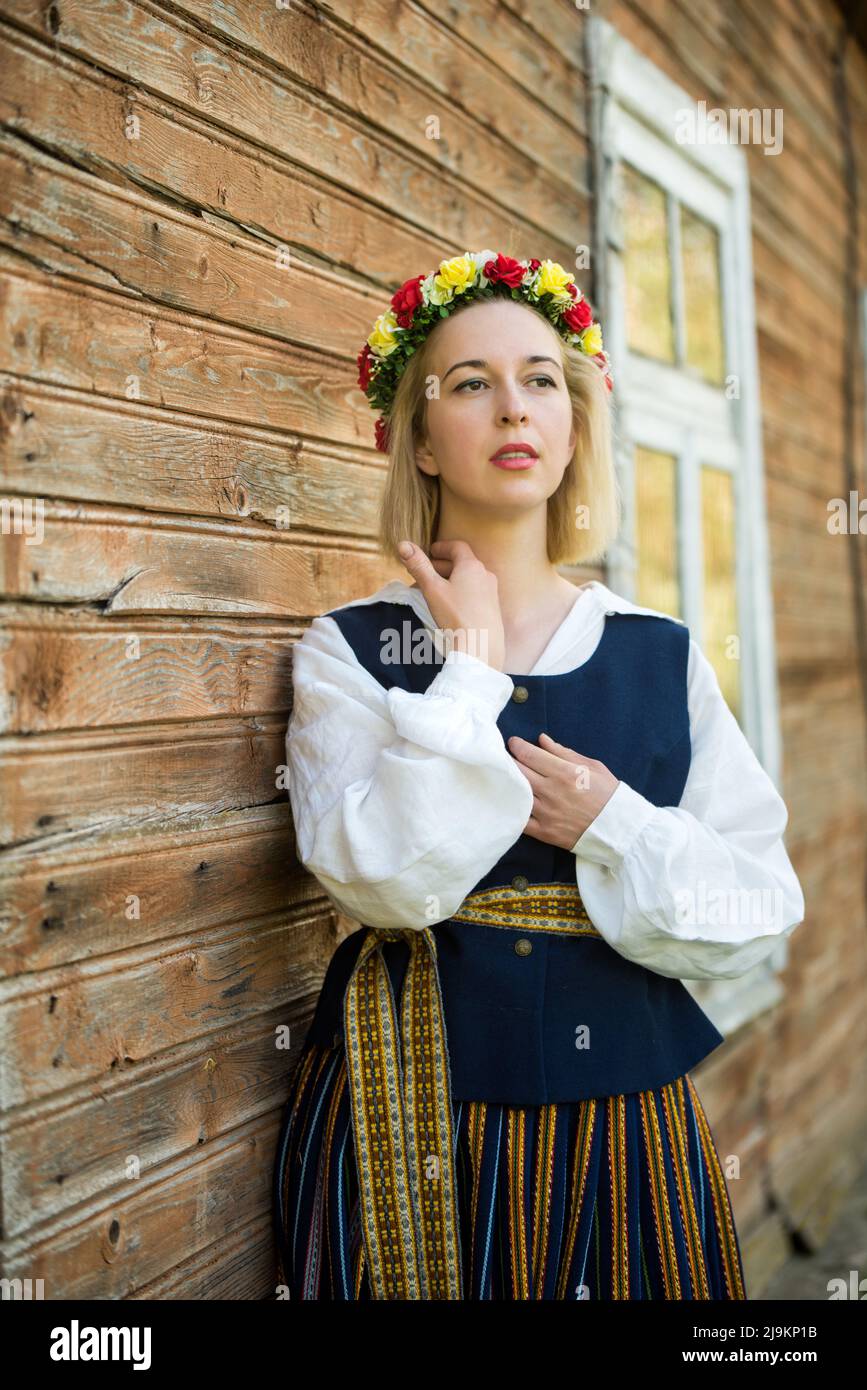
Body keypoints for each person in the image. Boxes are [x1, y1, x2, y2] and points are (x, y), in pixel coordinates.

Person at [272, 250, 805, 1300]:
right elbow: (381, 880)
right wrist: (468, 669)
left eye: (541, 379)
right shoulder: (347, 650)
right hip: (407, 1103)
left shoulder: (658, 650)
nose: (513, 406)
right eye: (470, 383)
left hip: (618, 1129)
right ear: (419, 439)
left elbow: (759, 900)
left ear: (571, 428)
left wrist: (613, 821)